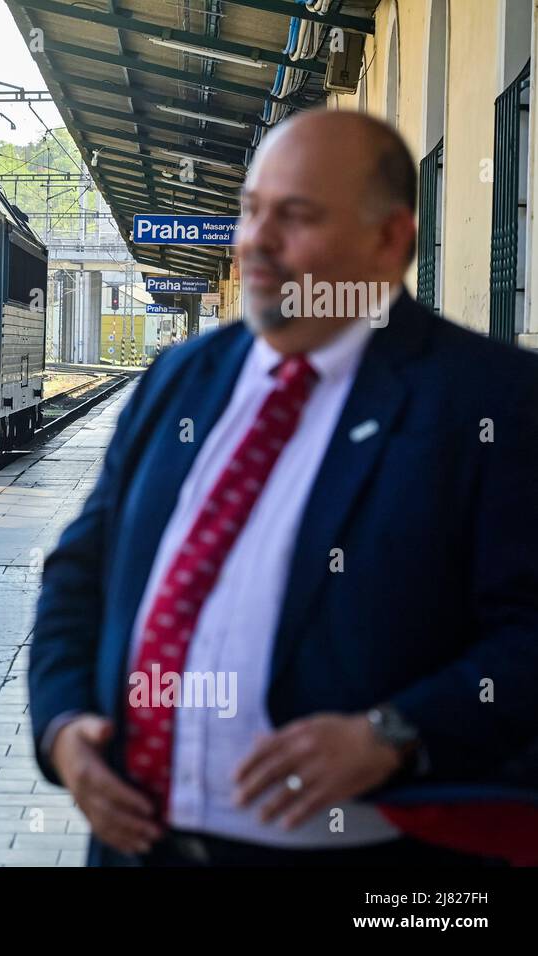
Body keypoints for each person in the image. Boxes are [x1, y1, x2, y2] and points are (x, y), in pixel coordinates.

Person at [30, 110, 538, 866]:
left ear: (390, 239)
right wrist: (64, 725)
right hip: (137, 847)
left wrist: (396, 733)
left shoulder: (490, 403)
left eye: (296, 217)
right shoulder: (181, 380)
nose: (258, 243)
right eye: (251, 210)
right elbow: (83, 571)